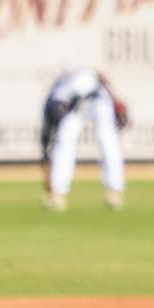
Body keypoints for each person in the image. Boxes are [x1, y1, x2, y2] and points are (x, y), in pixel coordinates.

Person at [39, 68, 129, 212]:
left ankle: (114, 191)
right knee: (65, 142)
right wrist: (47, 180)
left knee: (107, 140)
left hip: (98, 99)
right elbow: (45, 147)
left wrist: (114, 97)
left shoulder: (70, 87)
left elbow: (101, 77)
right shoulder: (52, 106)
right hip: (74, 106)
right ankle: (57, 193)